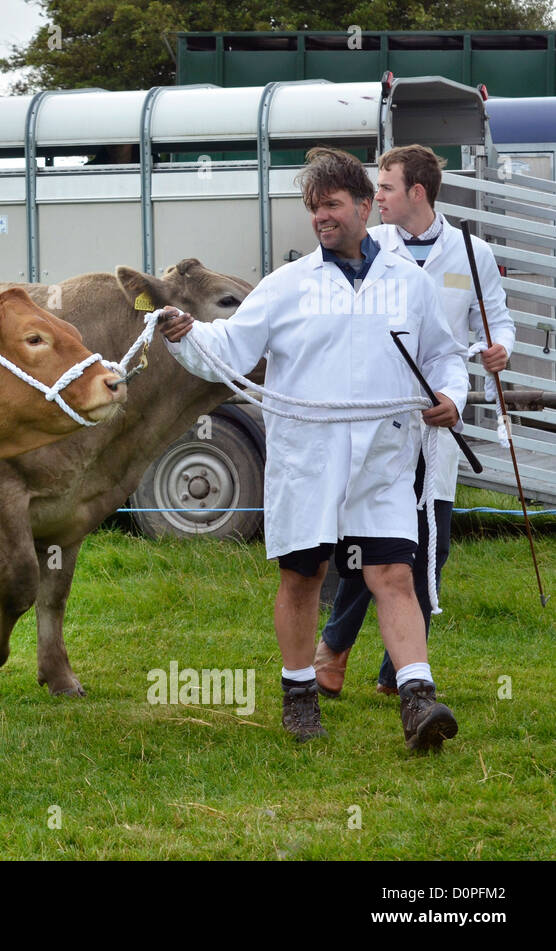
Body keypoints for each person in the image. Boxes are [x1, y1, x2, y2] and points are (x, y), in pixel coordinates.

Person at [159, 146, 468, 751]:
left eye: (331, 205)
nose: (321, 218)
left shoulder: (408, 282)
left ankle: (418, 701)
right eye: (312, 208)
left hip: (384, 458)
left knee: (392, 574)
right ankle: (300, 696)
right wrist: (184, 333)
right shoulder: (289, 286)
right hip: (308, 460)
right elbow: (230, 346)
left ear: (361, 205)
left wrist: (451, 395)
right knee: (304, 576)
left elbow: (443, 355)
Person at [313, 145, 514, 698]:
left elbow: (496, 323)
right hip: (379, 422)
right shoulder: (371, 252)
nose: (375, 197)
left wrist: (500, 349)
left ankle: (396, 671)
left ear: (417, 193)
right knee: (374, 544)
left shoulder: (471, 252)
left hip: (438, 417)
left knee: (431, 543)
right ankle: (333, 650)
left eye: (385, 188)